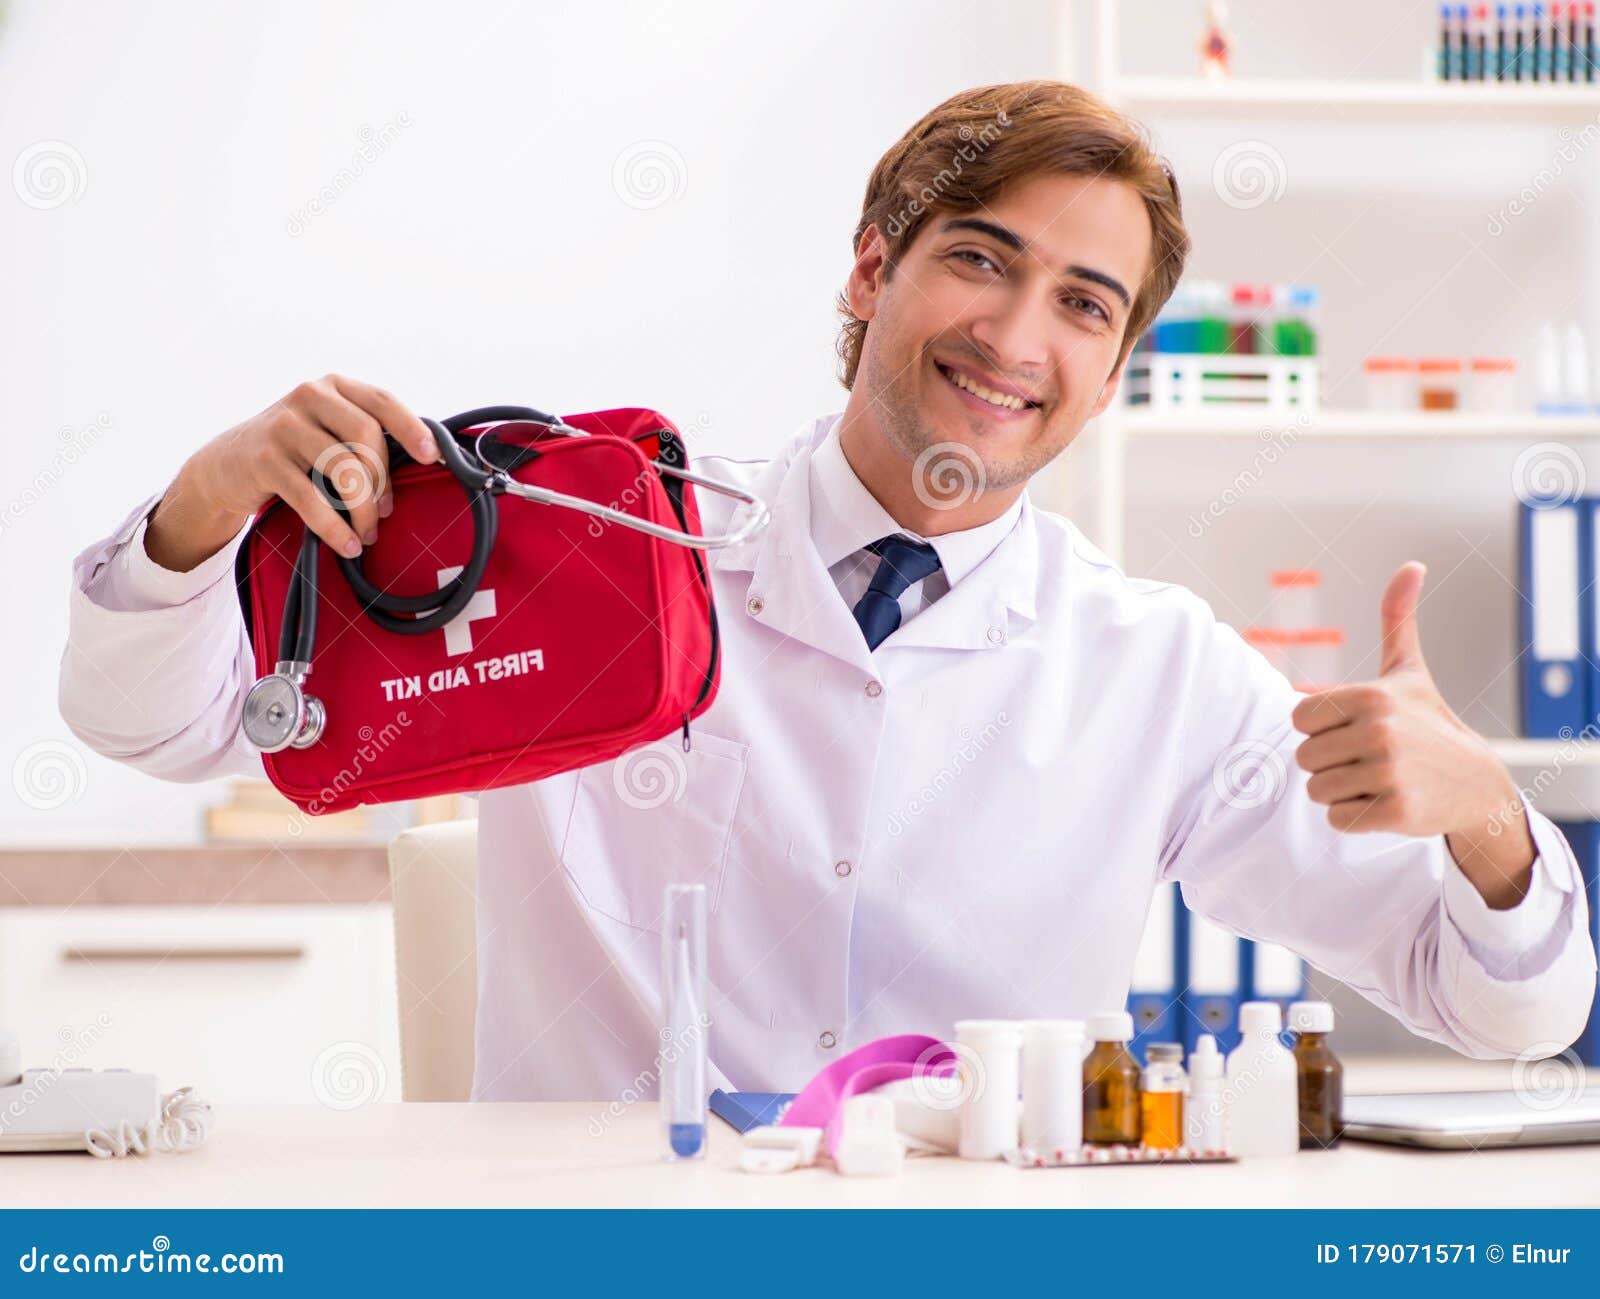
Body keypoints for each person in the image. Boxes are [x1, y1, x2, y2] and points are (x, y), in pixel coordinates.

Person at [59, 80, 1596, 1101]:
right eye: (978, 260)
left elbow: (1512, 1013)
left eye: (1082, 303)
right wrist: (209, 511)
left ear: (1117, 368)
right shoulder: (590, 553)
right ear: (871, 272)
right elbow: (170, 730)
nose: (1016, 334)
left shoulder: (1160, 672)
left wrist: (1483, 815)